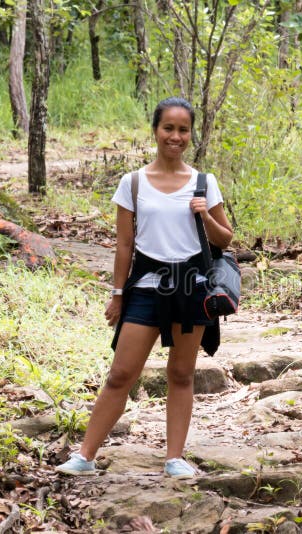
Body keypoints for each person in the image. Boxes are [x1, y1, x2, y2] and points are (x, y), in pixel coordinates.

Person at [55, 97, 233, 479]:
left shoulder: (204, 182)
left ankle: (175, 459)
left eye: (183, 129)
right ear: (156, 130)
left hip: (192, 288)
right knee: (121, 374)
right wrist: (118, 294)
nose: (176, 136)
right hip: (146, 288)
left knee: (182, 373)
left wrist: (203, 214)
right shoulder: (133, 182)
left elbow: (226, 238)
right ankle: (84, 456)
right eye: (168, 128)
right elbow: (124, 244)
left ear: (191, 134)